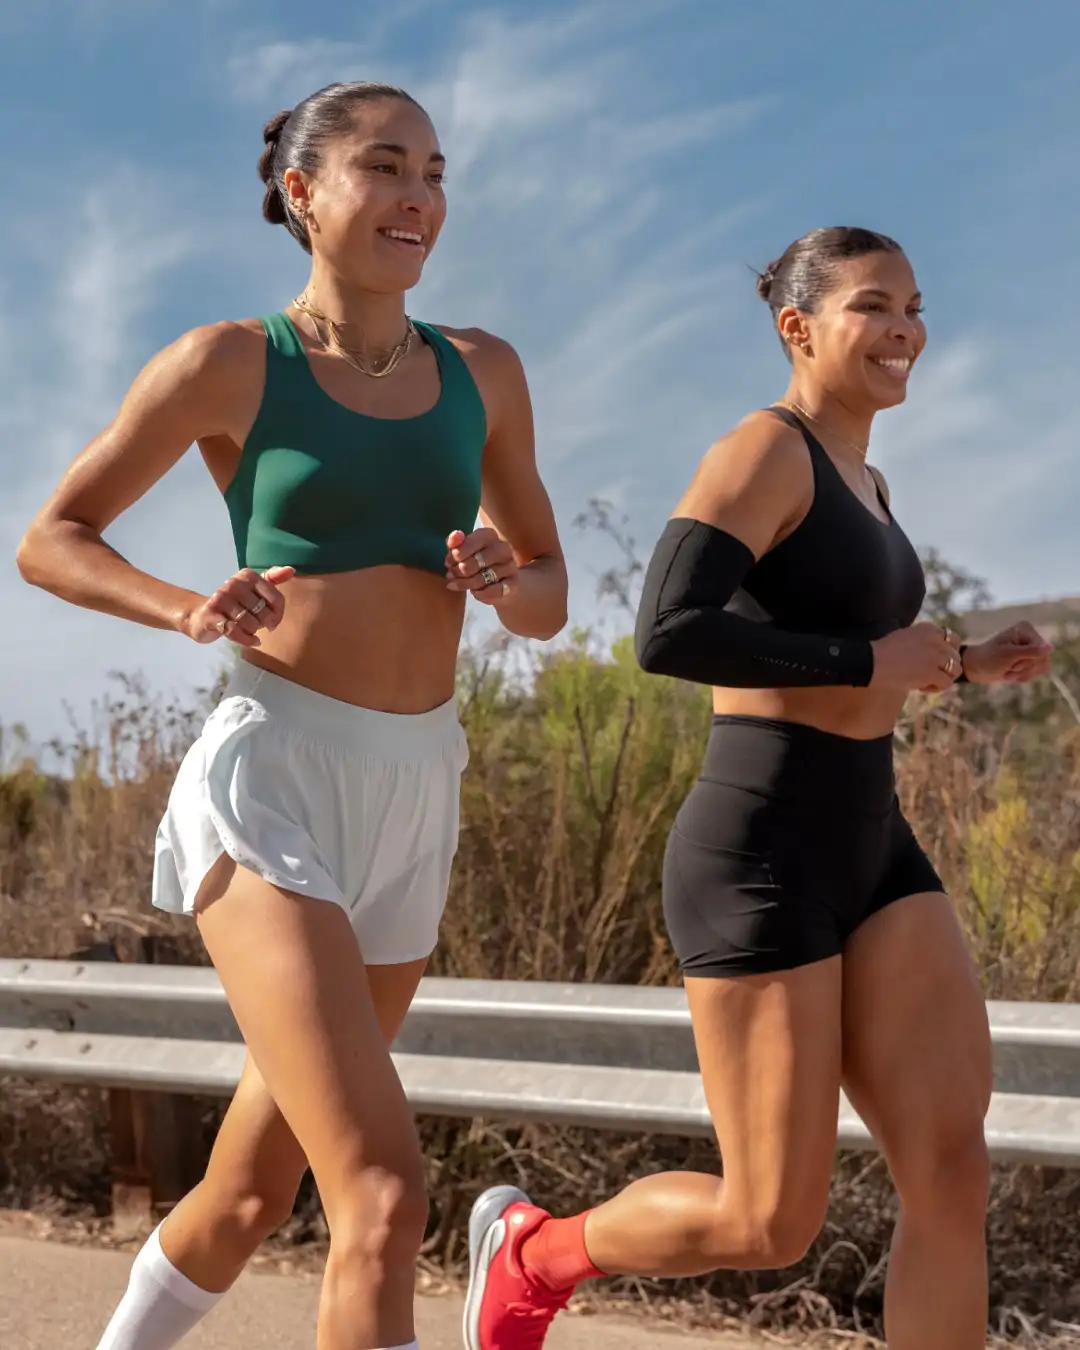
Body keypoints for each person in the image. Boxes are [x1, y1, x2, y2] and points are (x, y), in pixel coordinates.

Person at [17, 80, 567, 1350]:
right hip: (272, 783)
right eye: (384, 166)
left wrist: (505, 577)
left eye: (434, 170)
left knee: (255, 1187)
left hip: (414, 789)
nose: (419, 194)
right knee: (380, 1191)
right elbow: (53, 539)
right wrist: (184, 611)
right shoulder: (229, 362)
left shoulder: (484, 370)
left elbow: (545, 592)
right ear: (302, 192)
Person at [463, 226, 1053, 1350]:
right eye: (874, 306)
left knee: (949, 1165)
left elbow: (842, 645)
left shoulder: (866, 478)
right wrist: (866, 662)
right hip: (764, 847)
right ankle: (535, 1252)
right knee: (768, 1218)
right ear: (799, 327)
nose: (905, 330)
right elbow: (669, 632)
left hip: (874, 840)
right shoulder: (762, 452)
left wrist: (964, 660)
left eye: (914, 306)